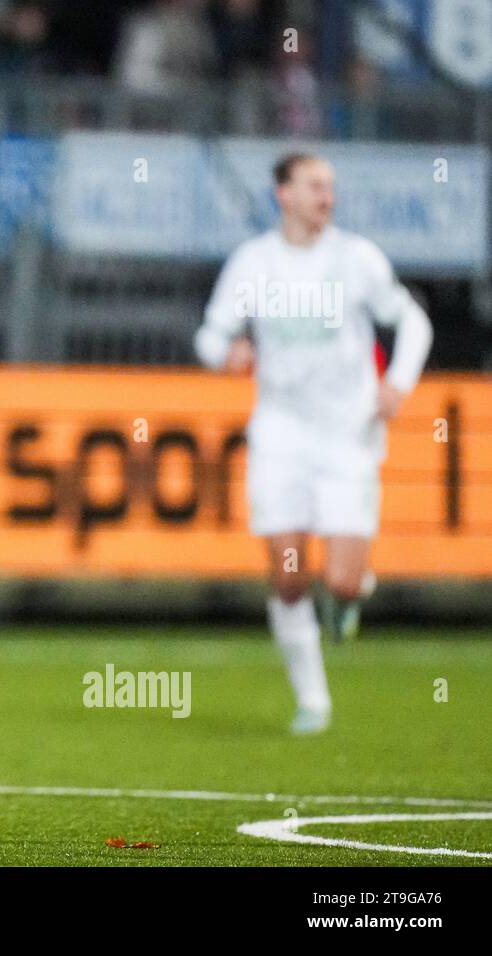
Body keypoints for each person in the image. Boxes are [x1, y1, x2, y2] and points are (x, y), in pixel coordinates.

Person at [195, 152, 432, 735]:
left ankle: (353, 590)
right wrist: (226, 354)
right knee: (290, 576)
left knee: (343, 581)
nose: (327, 196)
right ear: (284, 194)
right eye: (315, 186)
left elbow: (413, 321)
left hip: (348, 435)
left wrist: (398, 383)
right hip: (281, 433)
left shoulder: (356, 259)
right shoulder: (254, 263)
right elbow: (211, 331)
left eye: (331, 187)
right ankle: (314, 701)